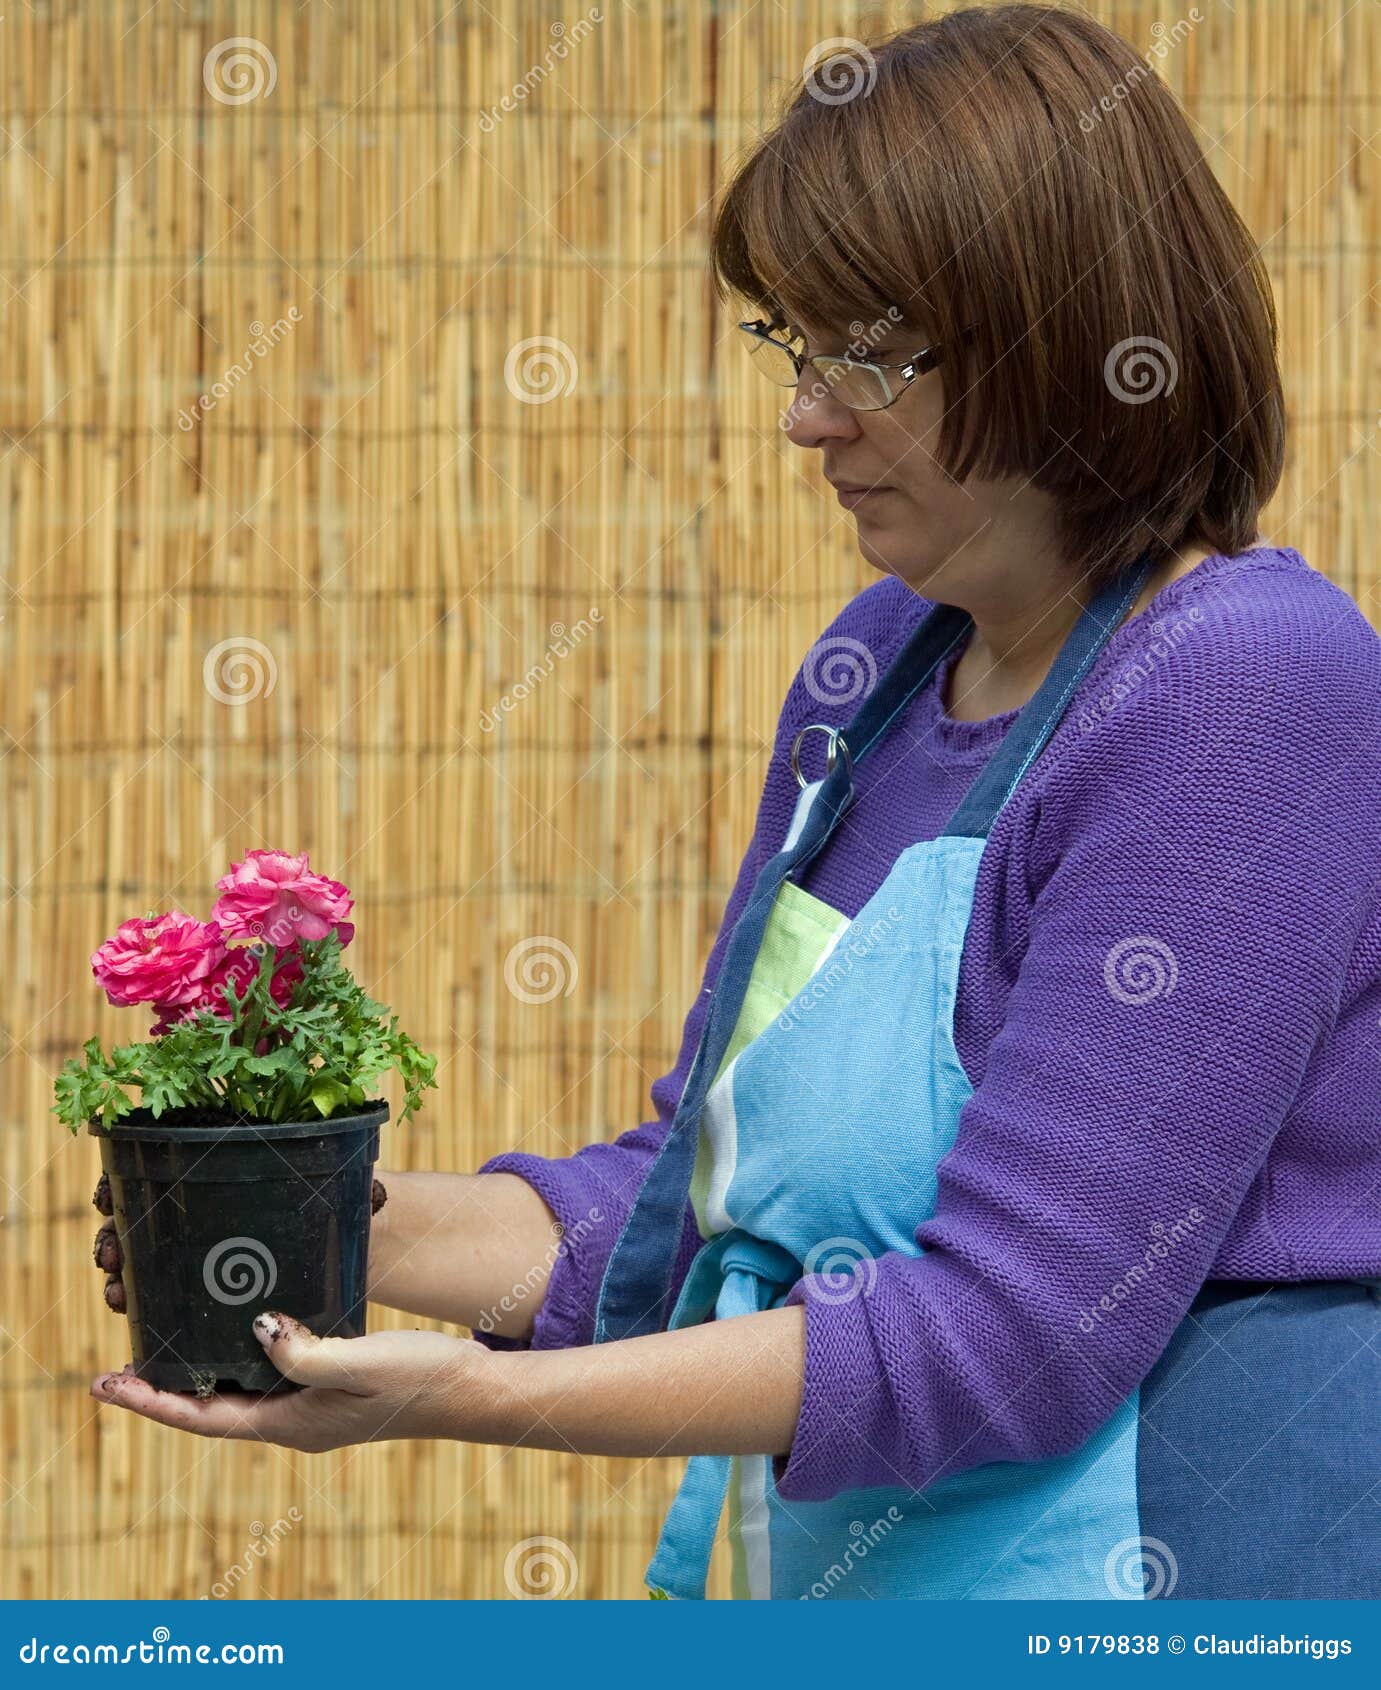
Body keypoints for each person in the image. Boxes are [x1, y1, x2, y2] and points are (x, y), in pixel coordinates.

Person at [92, 4, 1381, 1600]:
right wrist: (306, 1222)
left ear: (1070, 332)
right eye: (796, 343)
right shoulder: (884, 667)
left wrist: (472, 1400)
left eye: (868, 352)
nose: (807, 415)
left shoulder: (1243, 685)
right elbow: (694, 1204)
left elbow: (1017, 1331)